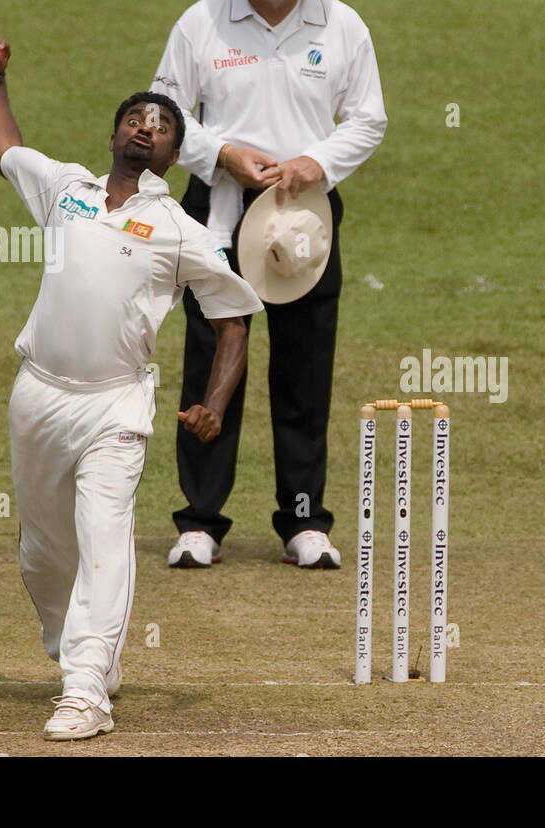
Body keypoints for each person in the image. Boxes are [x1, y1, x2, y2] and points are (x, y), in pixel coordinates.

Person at [0, 37, 263, 739]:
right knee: (44, 557)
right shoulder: (65, 188)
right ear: (115, 133)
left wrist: (215, 405)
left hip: (116, 404)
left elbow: (236, 317)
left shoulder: (177, 229)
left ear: (170, 155)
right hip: (37, 395)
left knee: (104, 540)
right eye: (138, 117)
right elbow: (3, 150)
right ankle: (79, 655)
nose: (148, 126)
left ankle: (85, 689)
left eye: (162, 126)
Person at [149, 0, 387, 570]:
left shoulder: (341, 24)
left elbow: (368, 118)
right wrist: (223, 154)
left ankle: (304, 518)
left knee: (305, 361)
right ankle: (199, 521)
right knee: (210, 357)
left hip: (303, 213)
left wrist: (318, 162)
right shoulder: (202, 20)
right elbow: (163, 112)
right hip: (219, 206)